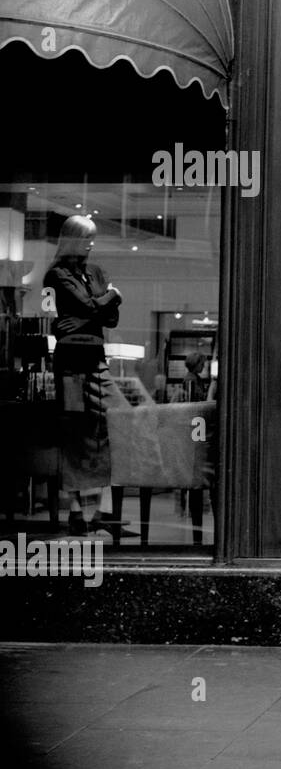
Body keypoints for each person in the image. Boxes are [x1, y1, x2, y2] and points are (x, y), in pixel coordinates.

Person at [43, 215, 121, 535]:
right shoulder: (57, 275)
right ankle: (76, 510)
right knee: (74, 433)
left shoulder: (96, 272)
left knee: (103, 432)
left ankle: (98, 509)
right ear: (72, 239)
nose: (91, 244)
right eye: (86, 237)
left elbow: (108, 318)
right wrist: (112, 296)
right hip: (72, 366)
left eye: (93, 238)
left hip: (96, 361)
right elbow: (92, 308)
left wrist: (94, 309)